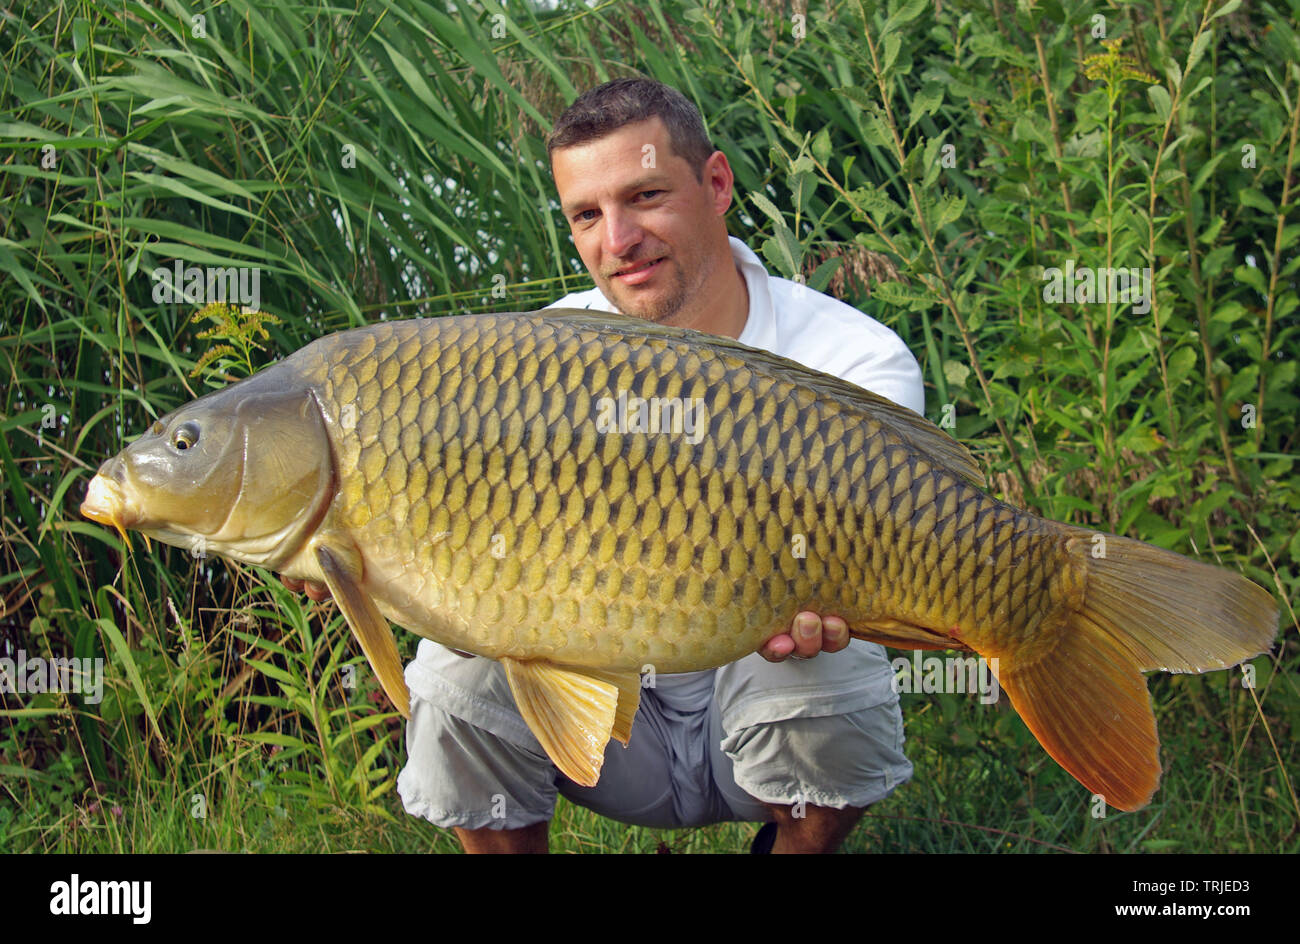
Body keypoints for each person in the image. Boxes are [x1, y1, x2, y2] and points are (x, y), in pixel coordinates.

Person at [286, 78, 923, 853]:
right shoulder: (539, 358)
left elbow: (899, 555)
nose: (617, 240)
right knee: (456, 668)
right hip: (605, 731)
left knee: (824, 664)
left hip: (757, 702)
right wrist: (354, 552)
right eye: (586, 215)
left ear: (716, 183)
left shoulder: (850, 358)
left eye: (645, 195)